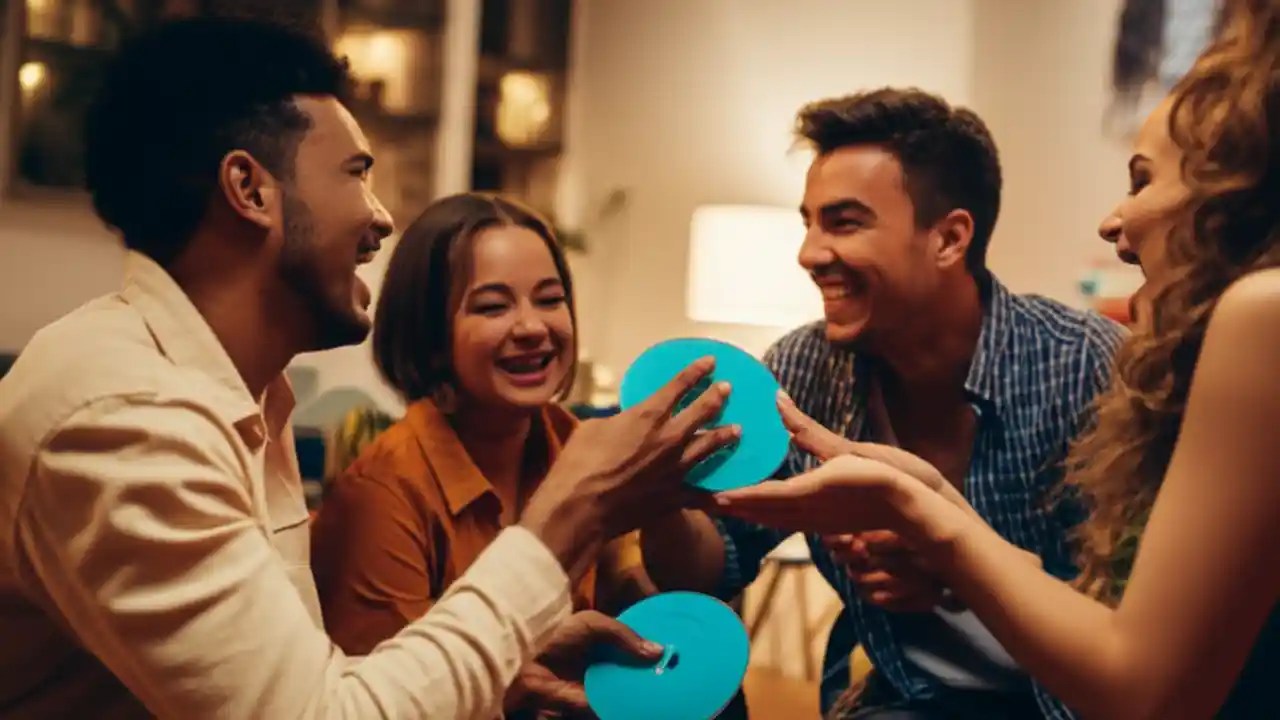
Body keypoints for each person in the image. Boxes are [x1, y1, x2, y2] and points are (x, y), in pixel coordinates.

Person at [0, 17, 735, 719]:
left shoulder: (245, 396)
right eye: (356, 173)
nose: (383, 218)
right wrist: (562, 521)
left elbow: (302, 682)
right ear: (250, 190)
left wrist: (509, 669)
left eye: (548, 298)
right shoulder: (124, 417)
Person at [713, 0, 1280, 717]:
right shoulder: (799, 368)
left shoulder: (1189, 337)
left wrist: (925, 521)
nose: (1112, 220)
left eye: (1141, 180)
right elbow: (713, 556)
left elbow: (1140, 680)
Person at [641, 87, 1127, 718]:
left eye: (844, 222)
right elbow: (710, 566)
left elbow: (1142, 618)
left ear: (950, 238)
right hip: (905, 698)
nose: (810, 254)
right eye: (808, 222)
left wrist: (958, 574)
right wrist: (663, 495)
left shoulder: (1085, 365)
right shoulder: (802, 369)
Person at [310, 192, 656, 715]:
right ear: (430, 336)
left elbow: (637, 601)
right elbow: (396, 705)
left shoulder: (574, 444)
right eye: (493, 306)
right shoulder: (382, 493)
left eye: (549, 298)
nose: (532, 327)